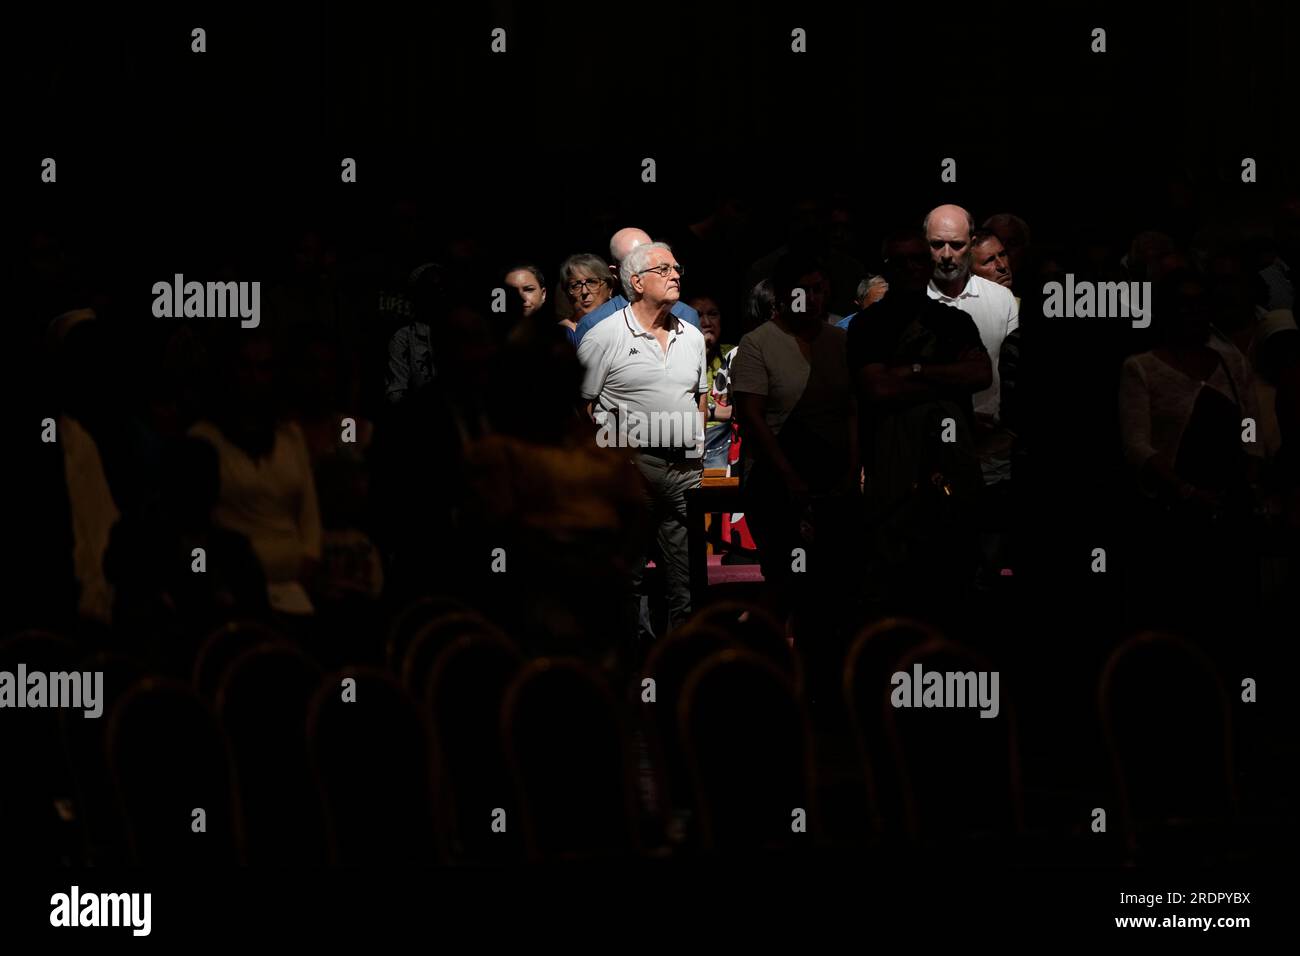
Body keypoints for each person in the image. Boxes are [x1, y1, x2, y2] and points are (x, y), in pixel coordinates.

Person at [577, 242, 708, 659]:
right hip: (630, 471)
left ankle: (680, 667)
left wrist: (697, 445)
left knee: (686, 578)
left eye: (676, 267)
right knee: (626, 578)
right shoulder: (604, 336)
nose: (676, 275)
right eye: (664, 269)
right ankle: (626, 668)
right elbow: (580, 407)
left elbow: (700, 396)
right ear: (636, 282)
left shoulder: (692, 337)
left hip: (685, 470)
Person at [731, 252, 859, 638]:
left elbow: (852, 410)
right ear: (785, 294)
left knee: (830, 584)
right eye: (806, 290)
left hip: (832, 479)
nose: (815, 298)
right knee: (786, 576)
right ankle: (757, 658)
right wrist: (789, 478)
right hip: (776, 481)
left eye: (821, 289)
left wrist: (853, 469)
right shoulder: (758, 344)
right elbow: (752, 417)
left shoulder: (839, 341)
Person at [849, 287, 991, 625]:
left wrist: (913, 371)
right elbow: (877, 388)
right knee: (892, 578)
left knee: (952, 575)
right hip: (894, 478)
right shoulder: (869, 326)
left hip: (950, 477)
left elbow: (981, 374)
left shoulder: (953, 321)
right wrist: (947, 378)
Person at [189, 332, 324, 618]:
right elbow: (194, 531)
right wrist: (207, 585)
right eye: (245, 367)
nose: (254, 378)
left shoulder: (290, 436)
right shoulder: (203, 440)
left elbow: (310, 517)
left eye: (263, 368)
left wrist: (307, 569)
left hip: (296, 589)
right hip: (233, 592)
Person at [571, 228, 700, 345]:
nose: (647, 263)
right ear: (615, 273)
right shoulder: (594, 325)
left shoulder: (687, 316)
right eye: (635, 262)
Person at [556, 253, 616, 346]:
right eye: (576, 285)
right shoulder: (563, 334)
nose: (584, 292)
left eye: (592, 282)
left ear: (610, 289)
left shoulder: (625, 322)